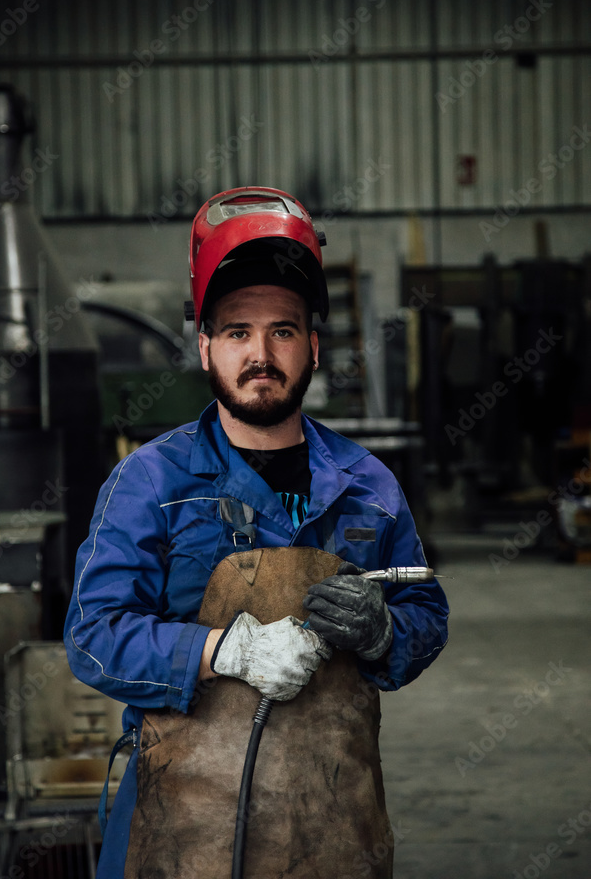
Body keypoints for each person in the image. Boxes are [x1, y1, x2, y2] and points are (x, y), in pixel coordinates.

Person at [64, 186, 449, 879]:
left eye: (283, 331)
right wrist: (225, 651)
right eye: (238, 332)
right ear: (204, 347)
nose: (261, 353)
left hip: (331, 823)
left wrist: (385, 632)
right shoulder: (149, 482)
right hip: (180, 826)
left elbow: (425, 610)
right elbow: (94, 637)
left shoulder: (367, 484)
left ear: (313, 347)